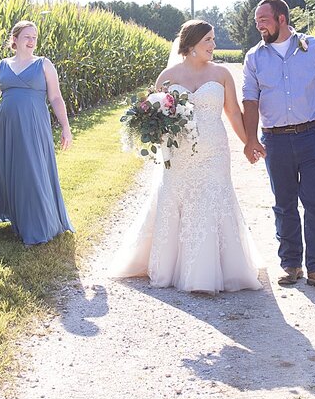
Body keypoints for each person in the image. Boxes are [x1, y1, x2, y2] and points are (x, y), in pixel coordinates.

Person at [109, 20, 263, 294]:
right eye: (209, 40)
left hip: (215, 151)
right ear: (191, 45)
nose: (214, 45)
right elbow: (155, 119)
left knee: (212, 200)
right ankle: (172, 267)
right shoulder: (167, 77)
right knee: (178, 199)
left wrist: (249, 142)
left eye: (214, 40)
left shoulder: (222, 74)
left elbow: (233, 114)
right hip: (179, 154)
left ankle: (212, 271)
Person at [242, 0, 315, 288]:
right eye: (257, 21)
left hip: (312, 136)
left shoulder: (313, 47)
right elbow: (250, 100)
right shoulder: (254, 57)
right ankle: (290, 265)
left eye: (264, 19)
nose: (259, 24)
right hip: (275, 140)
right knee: (284, 204)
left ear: (282, 19)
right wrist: (250, 138)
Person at [0, 20, 74, 246]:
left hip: (33, 126)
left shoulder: (43, 64)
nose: (31, 41)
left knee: (31, 172)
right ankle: (12, 214)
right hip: (7, 127)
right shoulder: (1, 66)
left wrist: (66, 127)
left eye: (34, 37)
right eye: (27, 37)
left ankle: (37, 226)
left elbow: (56, 98)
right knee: (5, 169)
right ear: (15, 40)